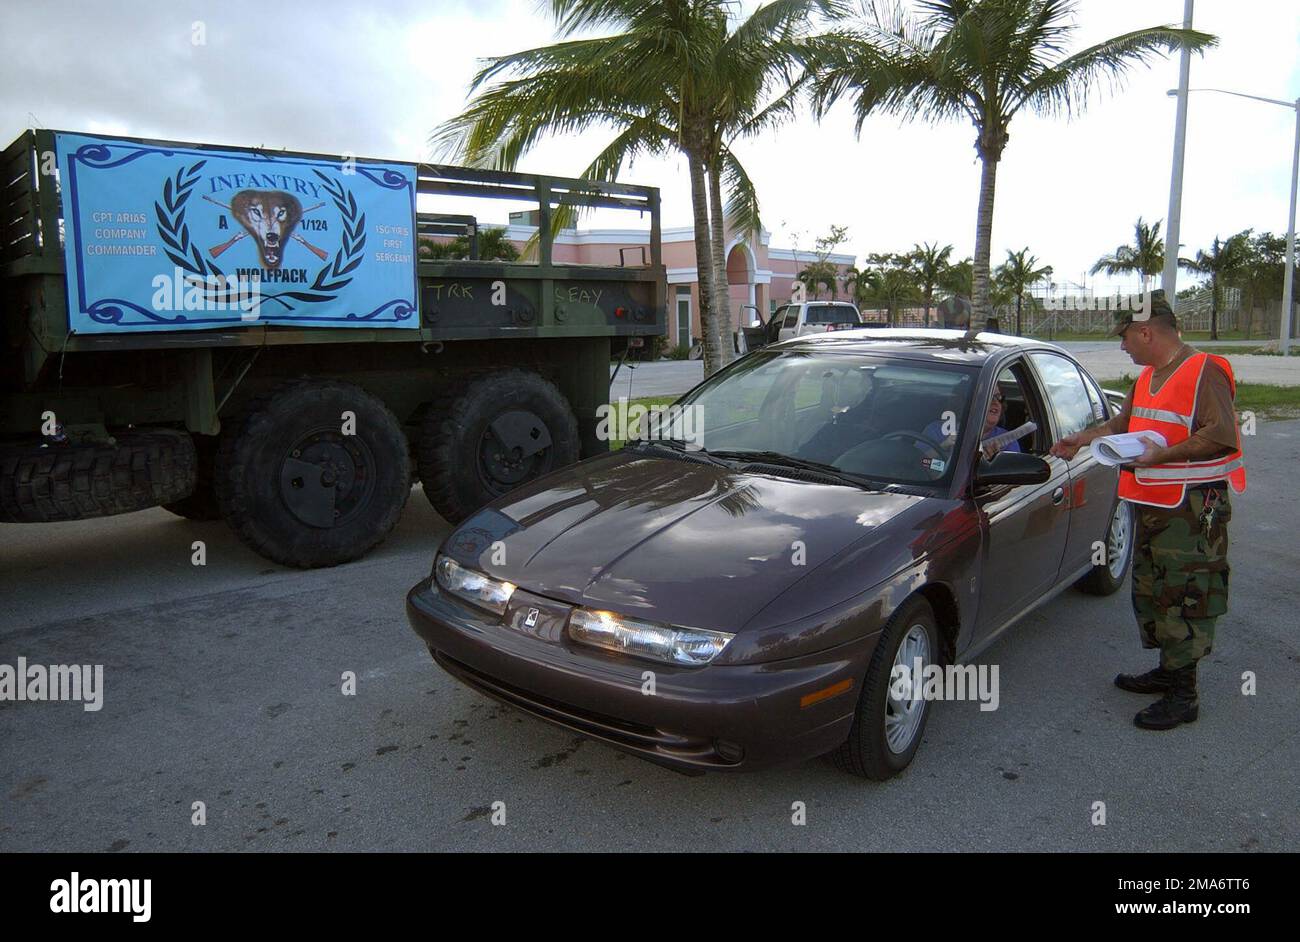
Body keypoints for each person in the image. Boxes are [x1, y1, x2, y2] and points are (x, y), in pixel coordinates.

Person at [1049, 290, 1245, 730]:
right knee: (1155, 589)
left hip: (1193, 510)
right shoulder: (1148, 376)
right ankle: (1168, 670)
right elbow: (1126, 424)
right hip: (1153, 503)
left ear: (1146, 331)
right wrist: (1084, 439)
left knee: (1186, 594)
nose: (1122, 346)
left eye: (1125, 338)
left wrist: (1163, 456)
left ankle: (1184, 694)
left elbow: (1222, 433)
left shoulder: (1204, 370)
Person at [921, 391, 1021, 460]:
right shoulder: (936, 430)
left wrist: (991, 464)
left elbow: (1012, 480)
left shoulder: (1008, 441)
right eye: (988, 396)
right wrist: (943, 446)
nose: (995, 402)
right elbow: (913, 462)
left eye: (999, 397)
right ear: (967, 403)